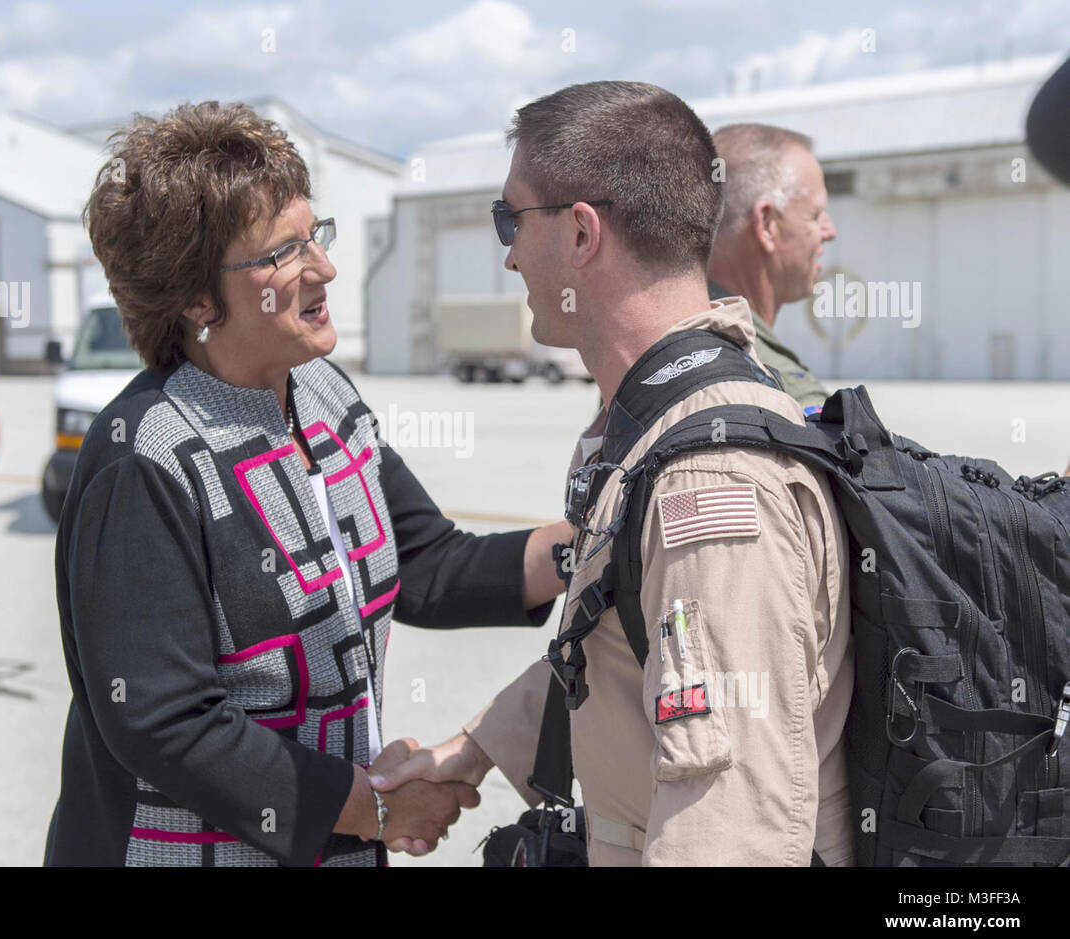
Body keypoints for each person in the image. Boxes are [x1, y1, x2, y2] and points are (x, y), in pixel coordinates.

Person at [42, 101, 572, 867]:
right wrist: (376, 807)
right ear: (193, 298)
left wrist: (594, 539)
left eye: (314, 237)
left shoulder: (325, 394)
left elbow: (422, 564)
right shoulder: (145, 455)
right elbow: (166, 721)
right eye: (281, 254)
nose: (322, 269)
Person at [371, 81, 855, 866]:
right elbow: (626, 649)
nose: (508, 253)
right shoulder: (652, 422)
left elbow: (729, 826)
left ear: (582, 233)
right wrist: (473, 750)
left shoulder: (709, 482)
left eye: (511, 219)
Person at [707, 123, 836, 416]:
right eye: (815, 215)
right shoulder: (778, 385)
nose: (830, 231)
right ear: (766, 224)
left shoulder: (656, 344)